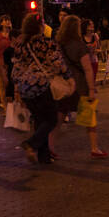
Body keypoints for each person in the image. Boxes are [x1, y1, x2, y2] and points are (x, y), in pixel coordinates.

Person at [11, 12, 71, 165]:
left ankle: (43, 156)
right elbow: (58, 63)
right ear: (39, 26)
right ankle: (31, 144)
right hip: (41, 86)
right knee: (51, 119)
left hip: (25, 88)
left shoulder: (19, 43)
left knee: (39, 119)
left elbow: (15, 67)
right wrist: (68, 78)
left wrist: (17, 88)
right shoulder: (46, 43)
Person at [56, 15, 105, 158]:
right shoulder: (79, 45)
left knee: (59, 117)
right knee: (89, 118)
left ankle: (50, 146)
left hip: (65, 86)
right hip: (80, 86)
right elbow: (88, 69)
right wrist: (91, 89)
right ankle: (94, 148)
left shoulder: (59, 45)